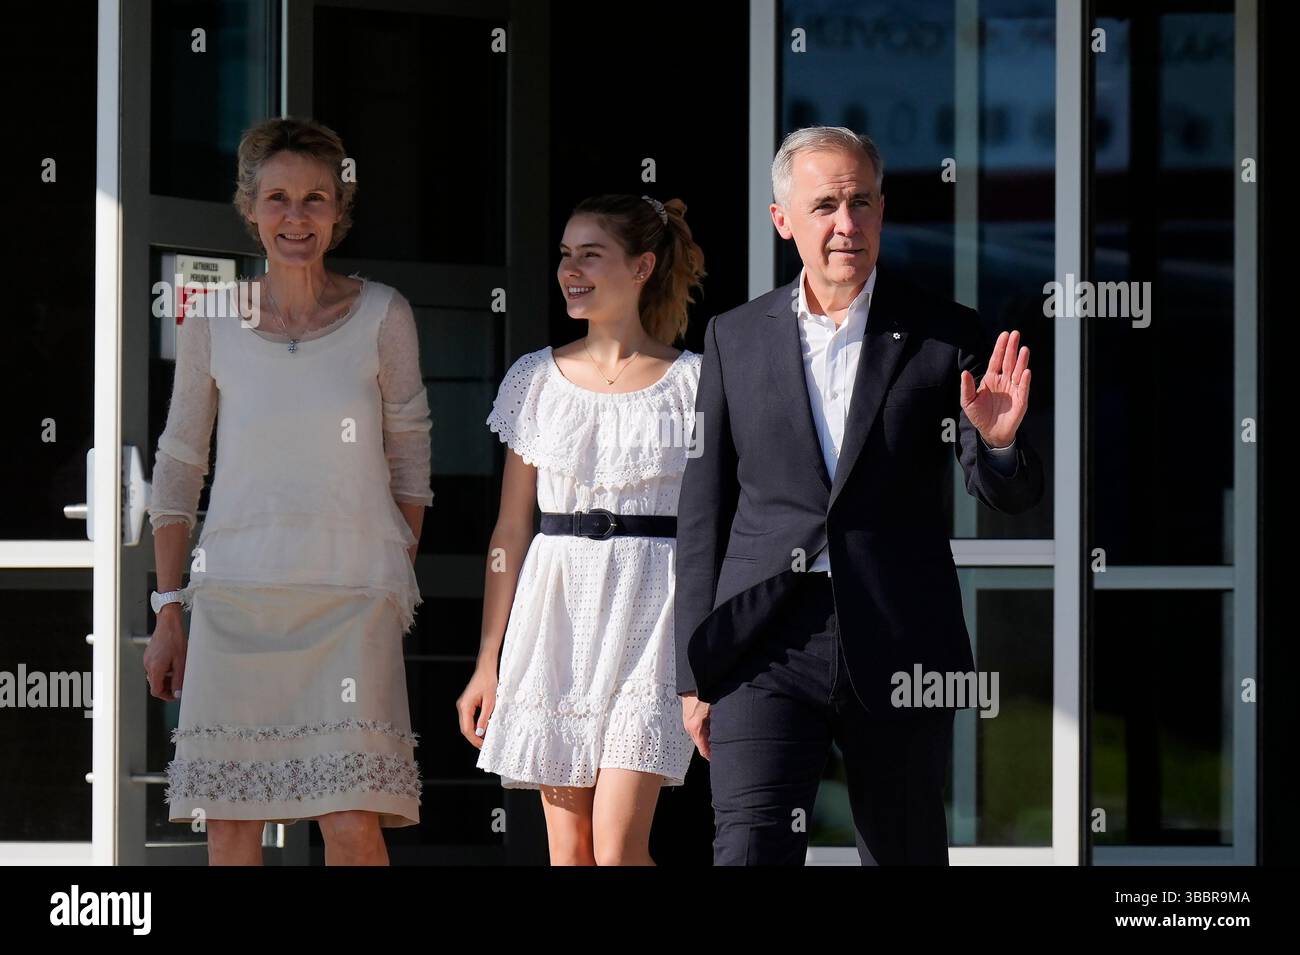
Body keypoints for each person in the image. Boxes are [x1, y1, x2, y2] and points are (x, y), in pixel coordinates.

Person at [675, 126, 1045, 865]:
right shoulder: (732, 338)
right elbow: (703, 510)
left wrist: (999, 442)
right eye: (825, 207)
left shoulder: (946, 333)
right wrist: (695, 669)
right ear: (784, 221)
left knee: (904, 851)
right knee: (747, 849)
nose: (847, 225)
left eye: (861, 203)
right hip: (761, 640)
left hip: (901, 637)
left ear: (881, 210)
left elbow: (1004, 490)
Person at [143, 117, 433, 865]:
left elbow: (411, 464)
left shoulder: (383, 314)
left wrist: (385, 566)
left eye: (314, 199)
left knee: (348, 821)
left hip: (349, 604)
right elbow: (179, 464)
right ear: (250, 209)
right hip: (234, 599)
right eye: (278, 199)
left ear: (338, 210)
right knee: (232, 825)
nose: (296, 217)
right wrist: (168, 607)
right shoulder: (213, 315)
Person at [457, 194, 706, 865]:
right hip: (557, 615)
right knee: (569, 853)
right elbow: (511, 530)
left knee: (621, 847)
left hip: (654, 620)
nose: (571, 268)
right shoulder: (535, 380)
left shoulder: (696, 384)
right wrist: (489, 661)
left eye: (590, 253)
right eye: (566, 254)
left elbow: (718, 527)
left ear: (643, 265)